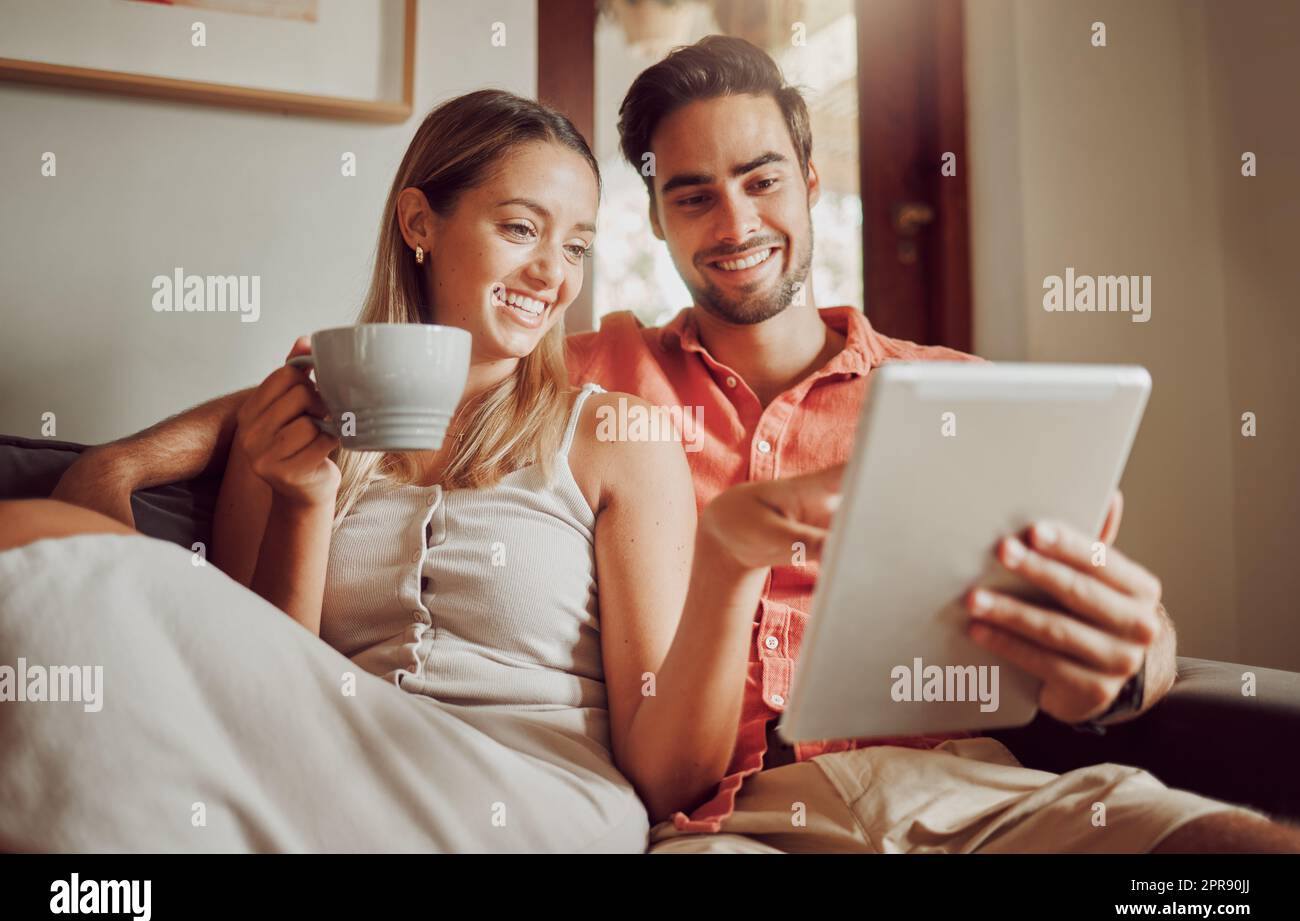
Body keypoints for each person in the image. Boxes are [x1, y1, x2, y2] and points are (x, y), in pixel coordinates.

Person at [43, 38, 1300, 852]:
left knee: (1235, 862)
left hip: (979, 788)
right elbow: (348, 388)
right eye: (691, 192)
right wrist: (114, 468)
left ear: (810, 181)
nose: (734, 220)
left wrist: (1127, 672)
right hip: (735, 820)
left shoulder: (958, 397)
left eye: (761, 179)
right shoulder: (575, 383)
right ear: (654, 213)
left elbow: (1092, 631)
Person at [0, 88, 845, 853]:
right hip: (325, 770)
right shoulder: (291, 423)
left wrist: (729, 567)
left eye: (577, 246)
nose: (554, 276)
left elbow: (667, 779)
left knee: (29, 538)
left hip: (536, 798)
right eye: (521, 229)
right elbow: (264, 687)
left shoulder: (616, 435)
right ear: (419, 223)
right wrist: (301, 503)